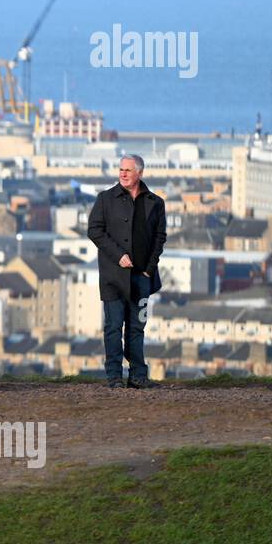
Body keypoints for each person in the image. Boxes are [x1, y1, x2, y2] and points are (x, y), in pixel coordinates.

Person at [86, 154, 166, 389]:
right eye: (120, 169)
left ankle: (138, 376)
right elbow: (94, 230)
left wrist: (149, 270)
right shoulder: (105, 199)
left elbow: (160, 238)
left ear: (139, 173)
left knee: (136, 328)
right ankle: (114, 377)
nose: (122, 174)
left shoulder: (155, 202)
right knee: (113, 327)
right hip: (113, 278)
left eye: (128, 170)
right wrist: (118, 255)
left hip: (142, 278)